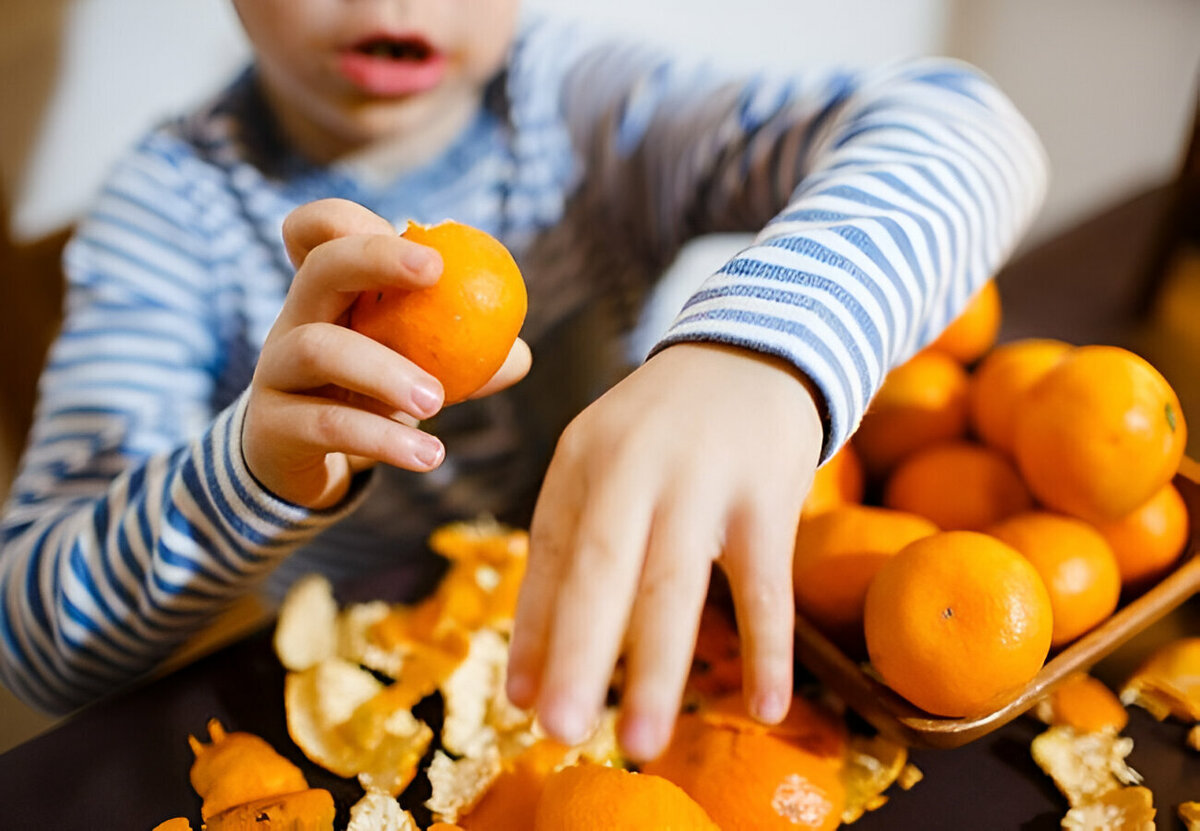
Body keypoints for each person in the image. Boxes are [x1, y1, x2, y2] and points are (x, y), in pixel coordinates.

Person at [0, 0, 1046, 764]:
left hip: (659, 640)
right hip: (383, 693)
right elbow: (34, 637)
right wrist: (255, 466)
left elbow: (971, 127)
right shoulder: (169, 212)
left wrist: (761, 351)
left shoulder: (579, 103)